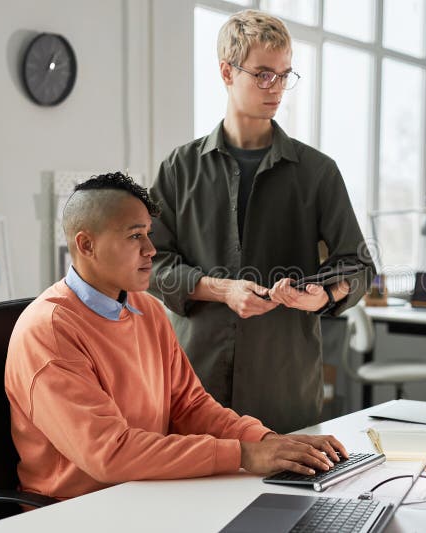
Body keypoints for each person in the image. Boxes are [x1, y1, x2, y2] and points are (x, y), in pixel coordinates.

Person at [4, 172, 347, 501]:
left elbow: (190, 406)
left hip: (145, 493)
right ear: (86, 244)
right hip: (76, 511)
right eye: (135, 235)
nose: (151, 249)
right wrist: (243, 454)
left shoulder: (147, 309)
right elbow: (109, 452)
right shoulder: (48, 331)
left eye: (149, 234)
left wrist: (269, 442)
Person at [149, 9, 373, 433]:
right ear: (226, 72)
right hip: (194, 386)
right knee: (191, 500)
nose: (278, 88)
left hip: (285, 391)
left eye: (286, 75)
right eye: (264, 75)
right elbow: (150, 264)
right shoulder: (179, 168)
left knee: (289, 500)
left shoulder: (317, 172)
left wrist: (322, 296)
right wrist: (221, 290)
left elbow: (359, 265)